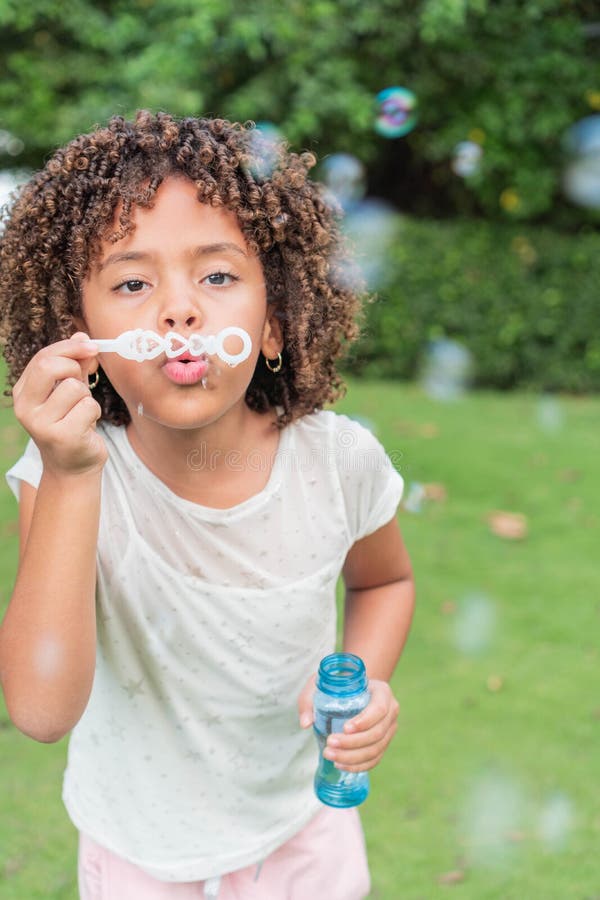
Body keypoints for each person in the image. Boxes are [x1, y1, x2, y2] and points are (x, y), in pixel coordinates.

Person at [0, 111, 415, 900]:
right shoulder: (66, 472)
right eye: (131, 283)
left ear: (276, 321)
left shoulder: (341, 462)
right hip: (139, 853)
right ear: (78, 334)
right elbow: (41, 709)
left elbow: (384, 584)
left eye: (217, 276)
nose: (179, 311)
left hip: (305, 834)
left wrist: (357, 683)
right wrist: (72, 473)